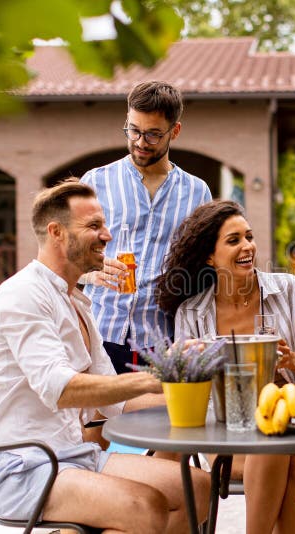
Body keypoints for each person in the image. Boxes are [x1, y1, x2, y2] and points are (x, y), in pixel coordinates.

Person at [0, 179, 210, 533]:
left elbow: (115, 400)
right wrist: (155, 376)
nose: (107, 235)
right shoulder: (22, 296)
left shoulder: (77, 302)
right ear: (57, 233)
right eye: (94, 226)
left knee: (197, 487)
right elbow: (60, 389)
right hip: (22, 467)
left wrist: (194, 393)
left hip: (74, 456)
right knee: (146, 508)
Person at [157, 199, 295, 534]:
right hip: (227, 435)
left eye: (248, 236)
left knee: (281, 448)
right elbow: (185, 392)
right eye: (233, 241)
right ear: (210, 256)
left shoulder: (288, 291)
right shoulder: (192, 313)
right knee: (283, 458)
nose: (247, 246)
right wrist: (196, 364)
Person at [81, 80, 212, 374]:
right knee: (93, 420)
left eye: (153, 135)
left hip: (163, 342)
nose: (140, 142)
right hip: (99, 334)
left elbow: (203, 266)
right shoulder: (95, 182)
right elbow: (66, 256)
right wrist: (91, 273)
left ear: (174, 132)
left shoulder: (197, 192)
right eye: (134, 130)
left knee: (157, 420)